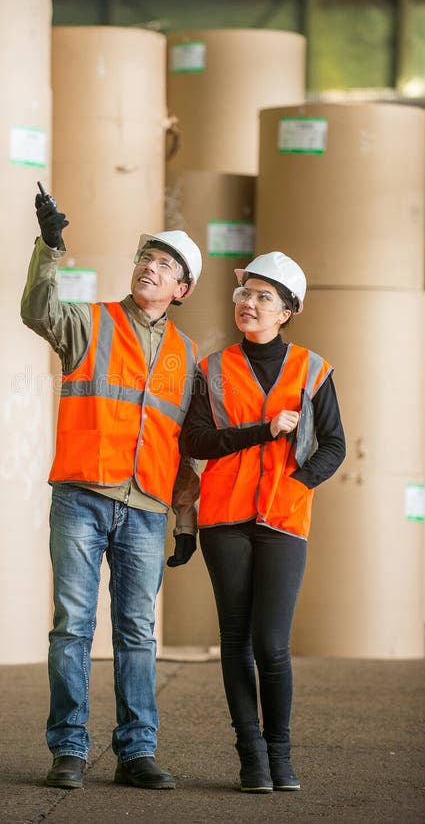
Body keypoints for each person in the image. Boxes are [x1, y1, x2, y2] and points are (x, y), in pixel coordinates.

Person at [20, 185, 202, 791]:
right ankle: (68, 748)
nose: (152, 267)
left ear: (182, 290)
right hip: (82, 495)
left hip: (148, 509)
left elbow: (182, 445)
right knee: (72, 625)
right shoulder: (89, 322)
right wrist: (51, 248)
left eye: (167, 265)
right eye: (147, 258)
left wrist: (185, 517)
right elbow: (37, 311)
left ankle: (136, 752)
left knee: (137, 633)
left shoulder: (186, 355)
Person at [176, 251, 346, 794]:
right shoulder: (212, 369)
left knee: (271, 643)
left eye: (262, 297)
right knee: (235, 640)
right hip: (224, 518)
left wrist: (295, 486)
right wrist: (262, 430)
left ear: (286, 311)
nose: (248, 304)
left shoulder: (312, 370)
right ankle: (250, 757)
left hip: (283, 521)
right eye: (244, 294)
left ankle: (281, 756)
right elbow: (196, 441)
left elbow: (334, 446)